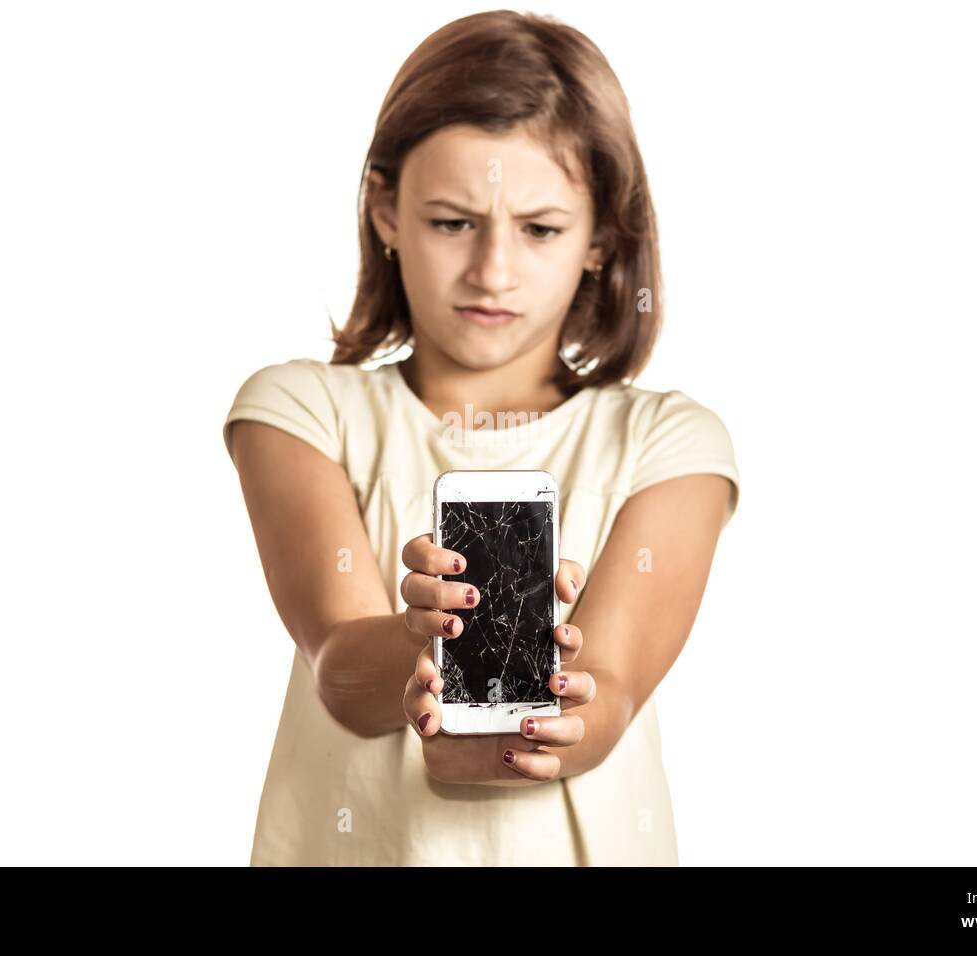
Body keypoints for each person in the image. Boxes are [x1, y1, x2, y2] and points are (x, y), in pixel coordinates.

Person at [222, 10, 740, 866]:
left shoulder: (668, 444)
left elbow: (602, 701)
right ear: (384, 209)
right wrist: (420, 646)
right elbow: (344, 671)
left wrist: (531, 730)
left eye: (540, 229)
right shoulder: (298, 412)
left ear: (601, 239)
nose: (493, 271)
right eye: (452, 222)